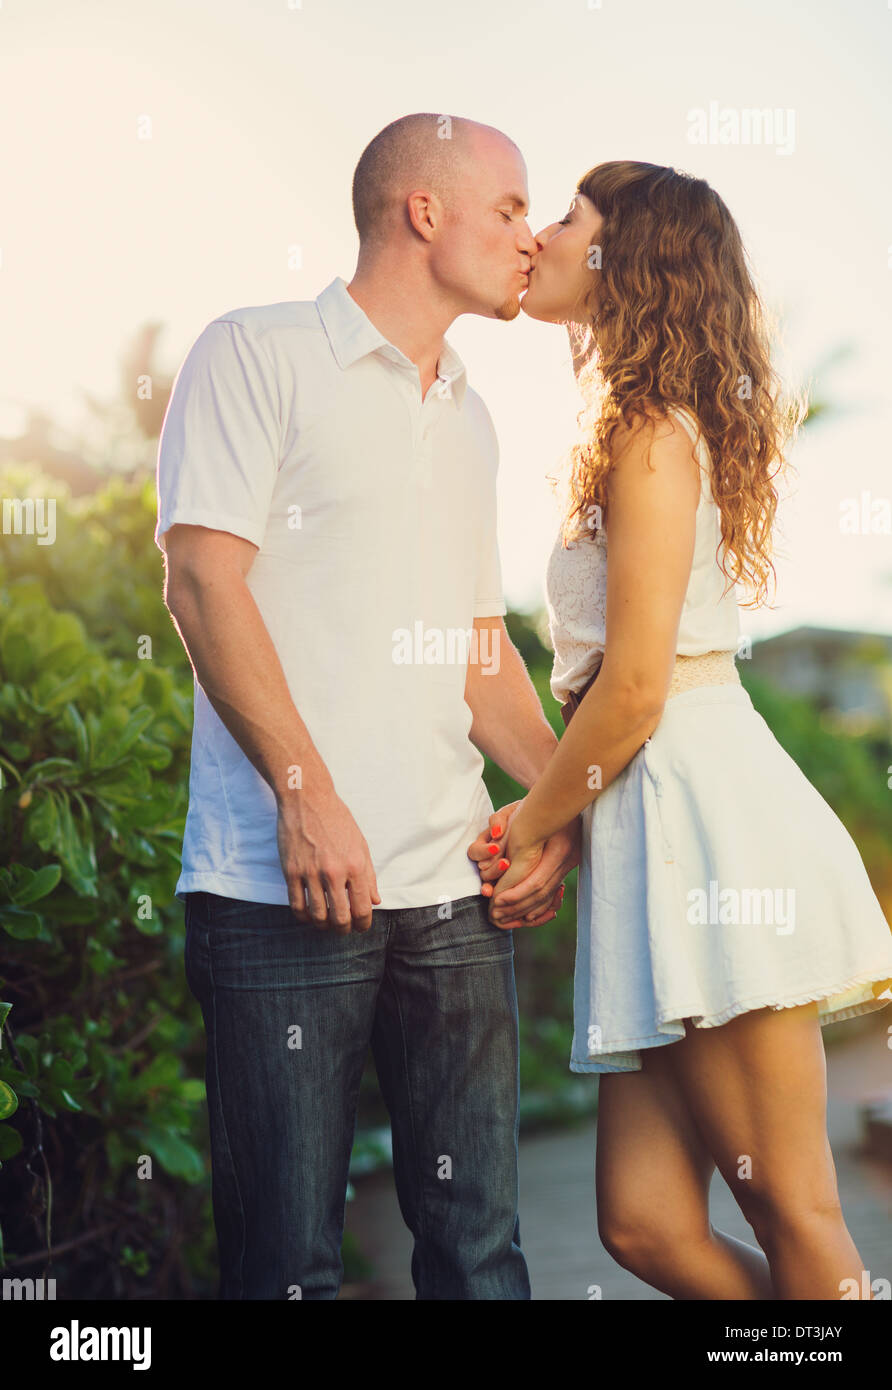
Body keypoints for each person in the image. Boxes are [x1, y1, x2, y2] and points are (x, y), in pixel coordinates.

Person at [154, 112, 579, 1300]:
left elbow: (478, 650)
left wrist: (554, 808)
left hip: (455, 893)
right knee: (287, 1266)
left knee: (481, 1257)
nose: (531, 235)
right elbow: (200, 579)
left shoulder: (472, 415)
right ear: (423, 211)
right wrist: (308, 794)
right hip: (281, 893)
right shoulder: (255, 351)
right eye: (509, 206)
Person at [469, 161, 892, 1300]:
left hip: (707, 828)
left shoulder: (652, 431)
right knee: (645, 1224)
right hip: (651, 829)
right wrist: (569, 820)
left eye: (567, 218)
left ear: (625, 258)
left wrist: (530, 822)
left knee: (793, 1209)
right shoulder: (629, 423)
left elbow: (636, 686)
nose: (542, 236)